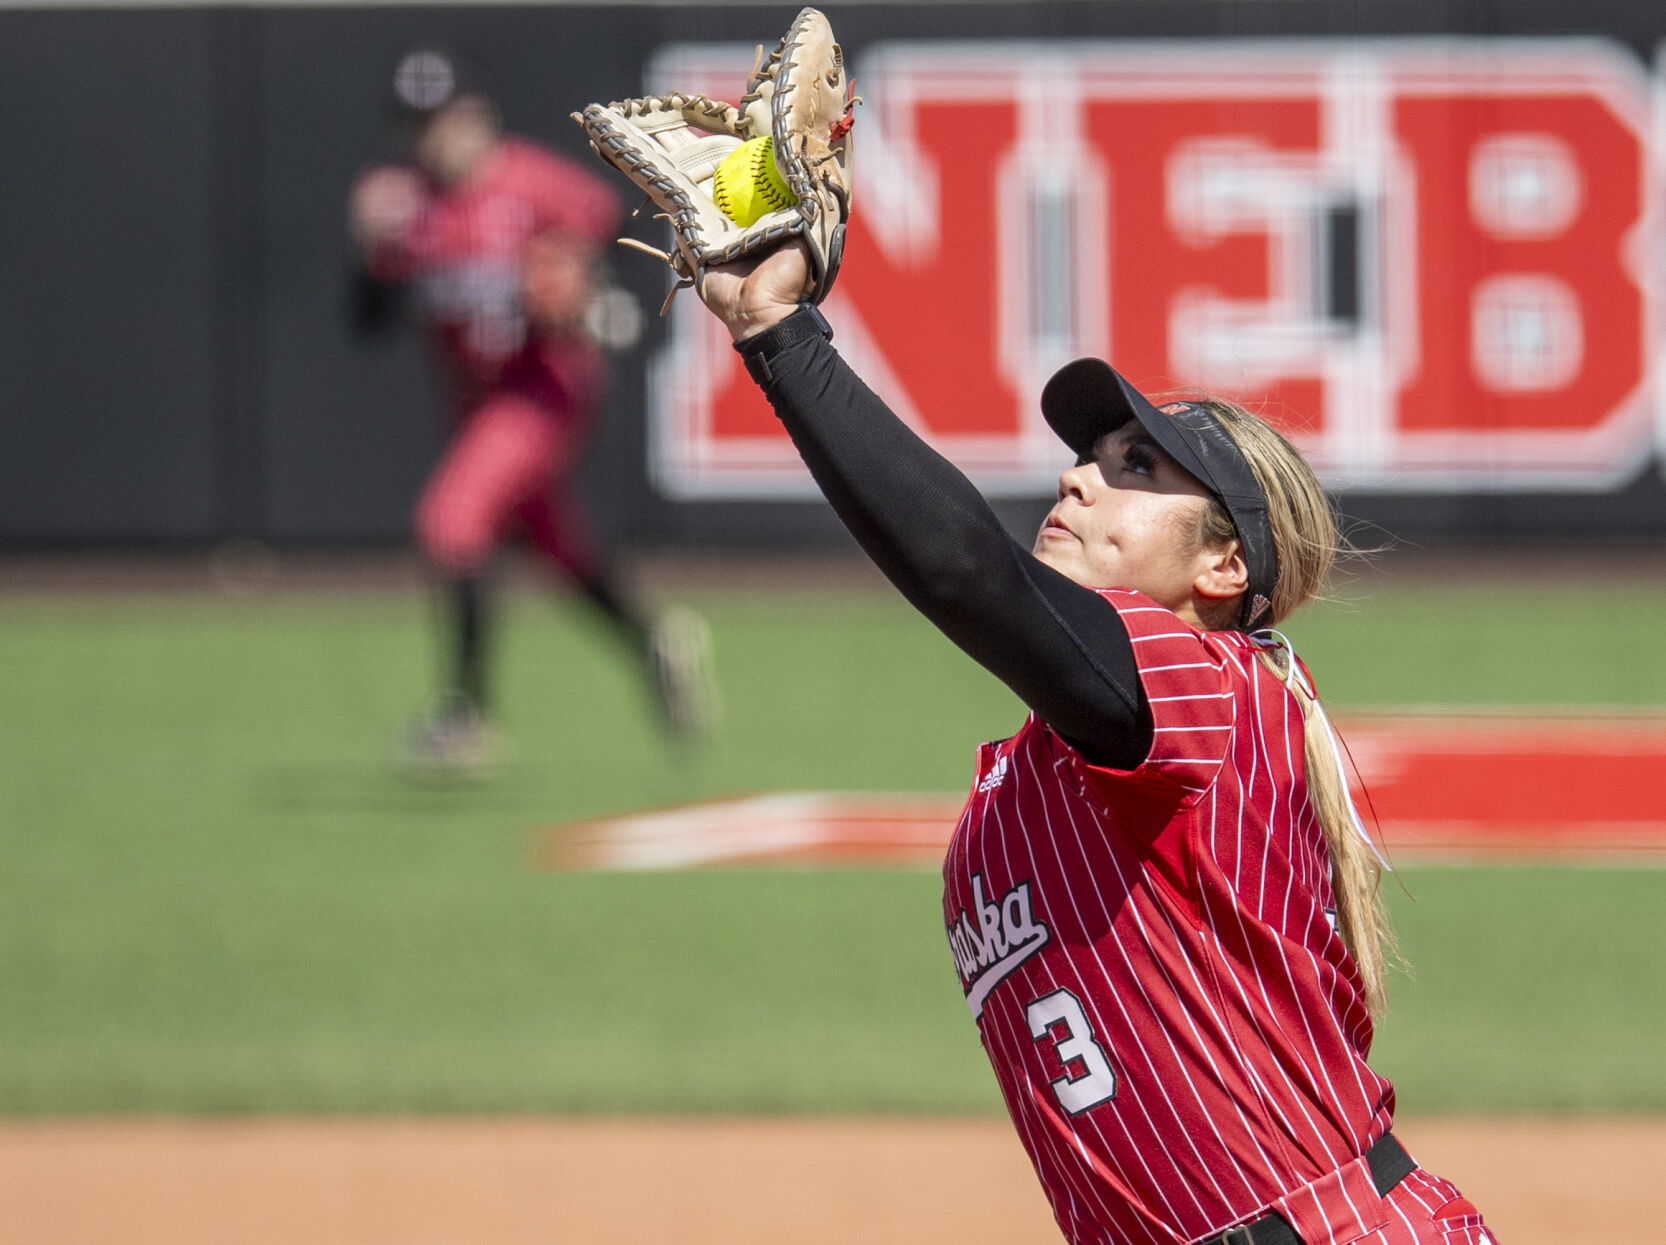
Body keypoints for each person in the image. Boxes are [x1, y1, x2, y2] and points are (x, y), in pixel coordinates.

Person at [694, 241, 1497, 1245]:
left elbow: (967, 572)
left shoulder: (1209, 688)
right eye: (1090, 457)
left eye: (1136, 467)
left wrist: (780, 335)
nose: (1078, 478)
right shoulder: (1036, 774)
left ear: (1221, 565)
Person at [348, 47, 717, 775]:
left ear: (477, 116)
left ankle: (464, 718)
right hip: (477, 401)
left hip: (546, 389)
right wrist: (367, 255)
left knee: (451, 523)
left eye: (444, 118)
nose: (433, 137)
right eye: (417, 124)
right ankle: (652, 640)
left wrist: (593, 296)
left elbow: (626, 244)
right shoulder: (405, 207)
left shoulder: (533, 184)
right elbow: (369, 320)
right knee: (552, 547)